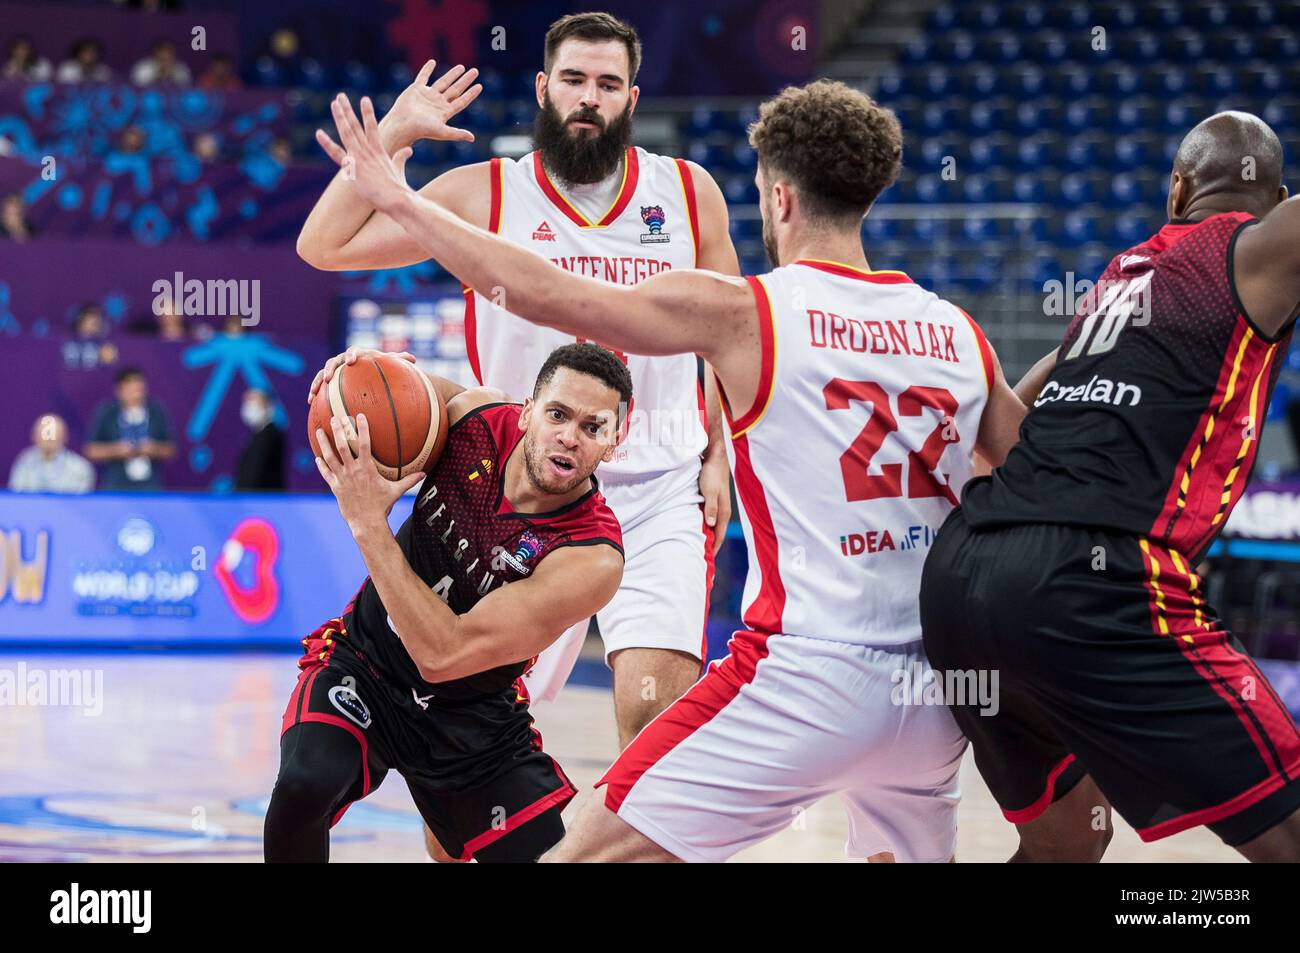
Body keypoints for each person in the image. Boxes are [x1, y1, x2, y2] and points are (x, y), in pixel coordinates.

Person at [319, 77, 1040, 862]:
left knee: (577, 855)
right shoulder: (956, 333)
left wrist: (403, 199)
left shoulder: (747, 311)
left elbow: (551, 294)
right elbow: (1035, 470)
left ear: (780, 199)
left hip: (807, 675)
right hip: (930, 696)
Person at [298, 13, 738, 758]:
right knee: (470, 746)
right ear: (543, 87)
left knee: (654, 722)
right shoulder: (484, 195)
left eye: (607, 84)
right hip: (522, 497)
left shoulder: (689, 193)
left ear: (632, 97)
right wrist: (399, 131)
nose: (588, 98)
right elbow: (323, 244)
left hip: (659, 485)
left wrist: (720, 456)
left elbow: (728, 333)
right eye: (573, 80)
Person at [919, 111, 1300, 863]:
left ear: (1177, 189)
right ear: (1276, 193)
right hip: (1095, 581)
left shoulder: (1117, 284)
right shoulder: (1258, 248)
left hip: (963, 579)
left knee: (1065, 842)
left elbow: (1009, 421)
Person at [267, 342, 628, 862]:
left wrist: (368, 523)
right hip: (367, 667)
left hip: (472, 724)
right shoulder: (473, 417)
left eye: (593, 427)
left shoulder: (591, 557)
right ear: (527, 411)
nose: (570, 437)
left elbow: (443, 656)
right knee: (304, 785)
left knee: (563, 859)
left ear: (613, 443)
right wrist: (358, 373)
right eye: (557, 414)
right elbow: (386, 393)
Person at [85, 367, 174, 490]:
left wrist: (153, 449)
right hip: (116, 486)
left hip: (150, 487)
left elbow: (170, 449)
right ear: (119, 390)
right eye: (131, 386)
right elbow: (91, 450)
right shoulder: (107, 412)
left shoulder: (156, 412)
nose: (136, 391)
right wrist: (116, 450)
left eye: (139, 386)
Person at [8, 414, 95, 493]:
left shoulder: (80, 467)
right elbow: (16, 494)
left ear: (65, 437)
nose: (48, 440)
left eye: (53, 435)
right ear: (34, 436)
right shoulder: (24, 461)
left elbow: (81, 502)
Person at [234, 388, 285, 491]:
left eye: (255, 402)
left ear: (268, 406)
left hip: (264, 500)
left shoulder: (271, 434)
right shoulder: (256, 435)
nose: (250, 406)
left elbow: (256, 470)